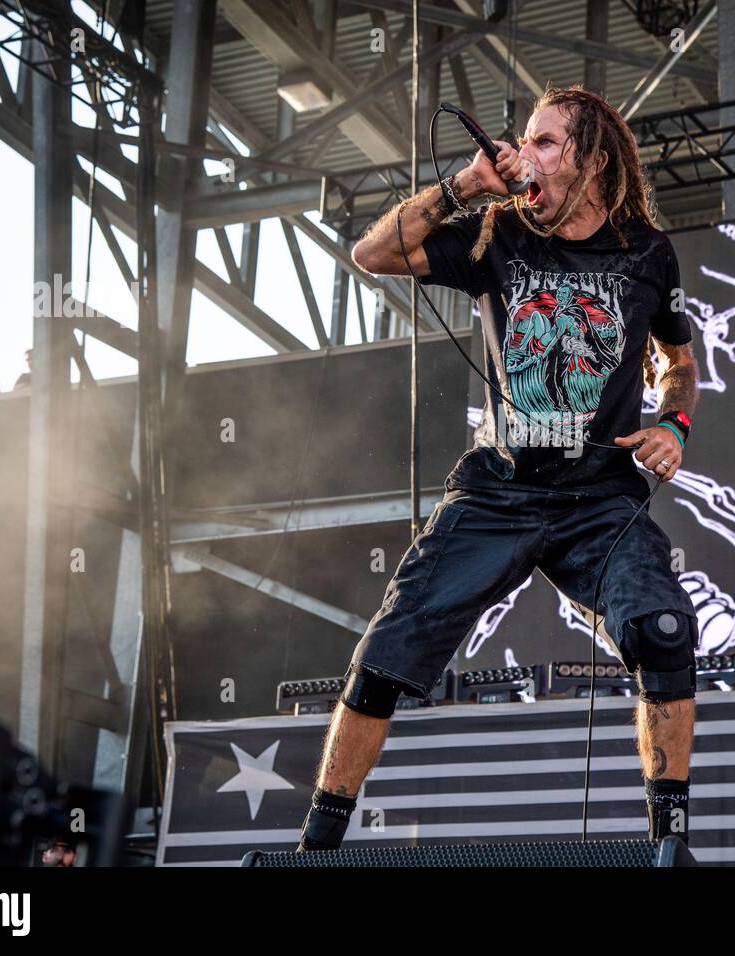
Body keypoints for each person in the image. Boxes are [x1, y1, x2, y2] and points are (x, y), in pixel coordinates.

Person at [296, 87, 702, 852]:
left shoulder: (648, 252)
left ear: (595, 161)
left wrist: (673, 424)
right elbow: (372, 254)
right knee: (386, 655)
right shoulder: (497, 234)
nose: (527, 155)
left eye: (547, 143)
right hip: (499, 489)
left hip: (598, 499)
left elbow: (679, 362)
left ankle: (668, 844)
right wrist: (466, 185)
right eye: (526, 140)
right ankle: (318, 844)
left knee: (665, 628)